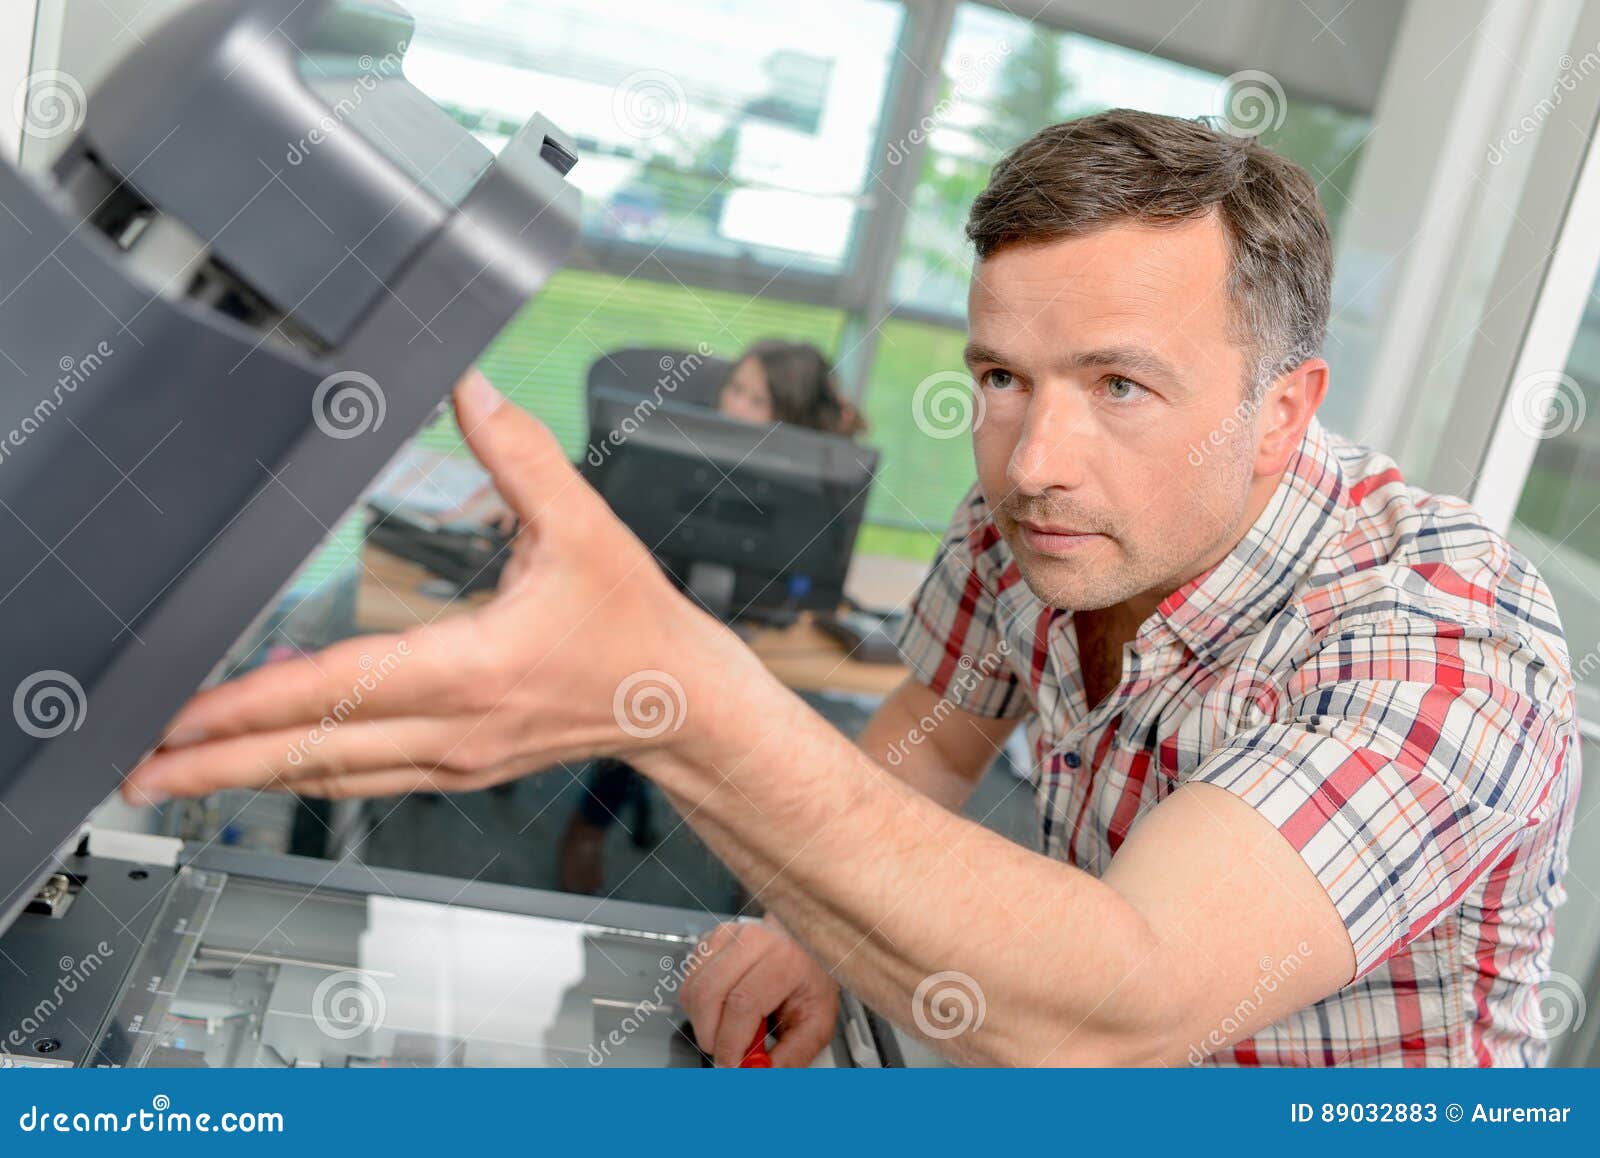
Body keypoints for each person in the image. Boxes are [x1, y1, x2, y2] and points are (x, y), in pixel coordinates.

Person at [124, 110, 1578, 1068]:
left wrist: (687, 697)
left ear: (1283, 408)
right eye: (1003, 378)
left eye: (1121, 384)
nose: (1035, 460)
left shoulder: (1450, 630)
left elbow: (1130, 995)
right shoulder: (1037, 524)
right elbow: (942, 725)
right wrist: (812, 926)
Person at [559, 340, 865, 894]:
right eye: (736, 389)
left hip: (754, 619)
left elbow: (812, 567)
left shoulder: (812, 472)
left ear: (790, 416)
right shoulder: (678, 440)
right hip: (660, 601)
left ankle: (762, 865)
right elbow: (603, 479)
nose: (737, 409)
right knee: (658, 694)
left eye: (759, 401)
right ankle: (589, 827)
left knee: (759, 722)